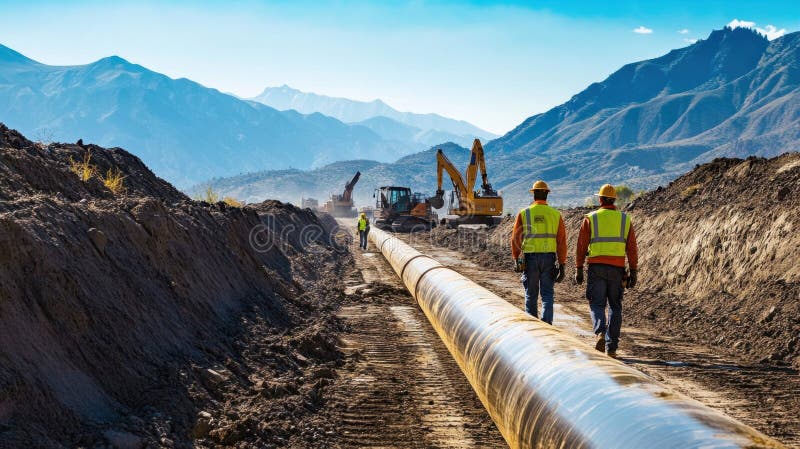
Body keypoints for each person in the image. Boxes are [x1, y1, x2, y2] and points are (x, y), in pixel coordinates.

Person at [574, 184, 639, 358]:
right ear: (614, 200)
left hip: (596, 268)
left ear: (600, 199)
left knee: (596, 304)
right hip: (617, 270)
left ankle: (600, 332)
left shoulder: (591, 218)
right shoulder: (625, 220)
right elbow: (632, 248)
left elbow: (581, 246)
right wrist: (633, 271)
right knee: (615, 307)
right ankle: (612, 348)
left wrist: (579, 268)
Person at [510, 180, 567, 324]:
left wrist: (516, 258)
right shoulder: (555, 214)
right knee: (547, 294)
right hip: (549, 258)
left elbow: (516, 238)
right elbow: (561, 242)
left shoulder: (525, 213)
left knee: (531, 294)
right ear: (547, 194)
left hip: (530, 259)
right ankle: (547, 324)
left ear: (534, 194)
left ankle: (533, 326)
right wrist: (562, 265)